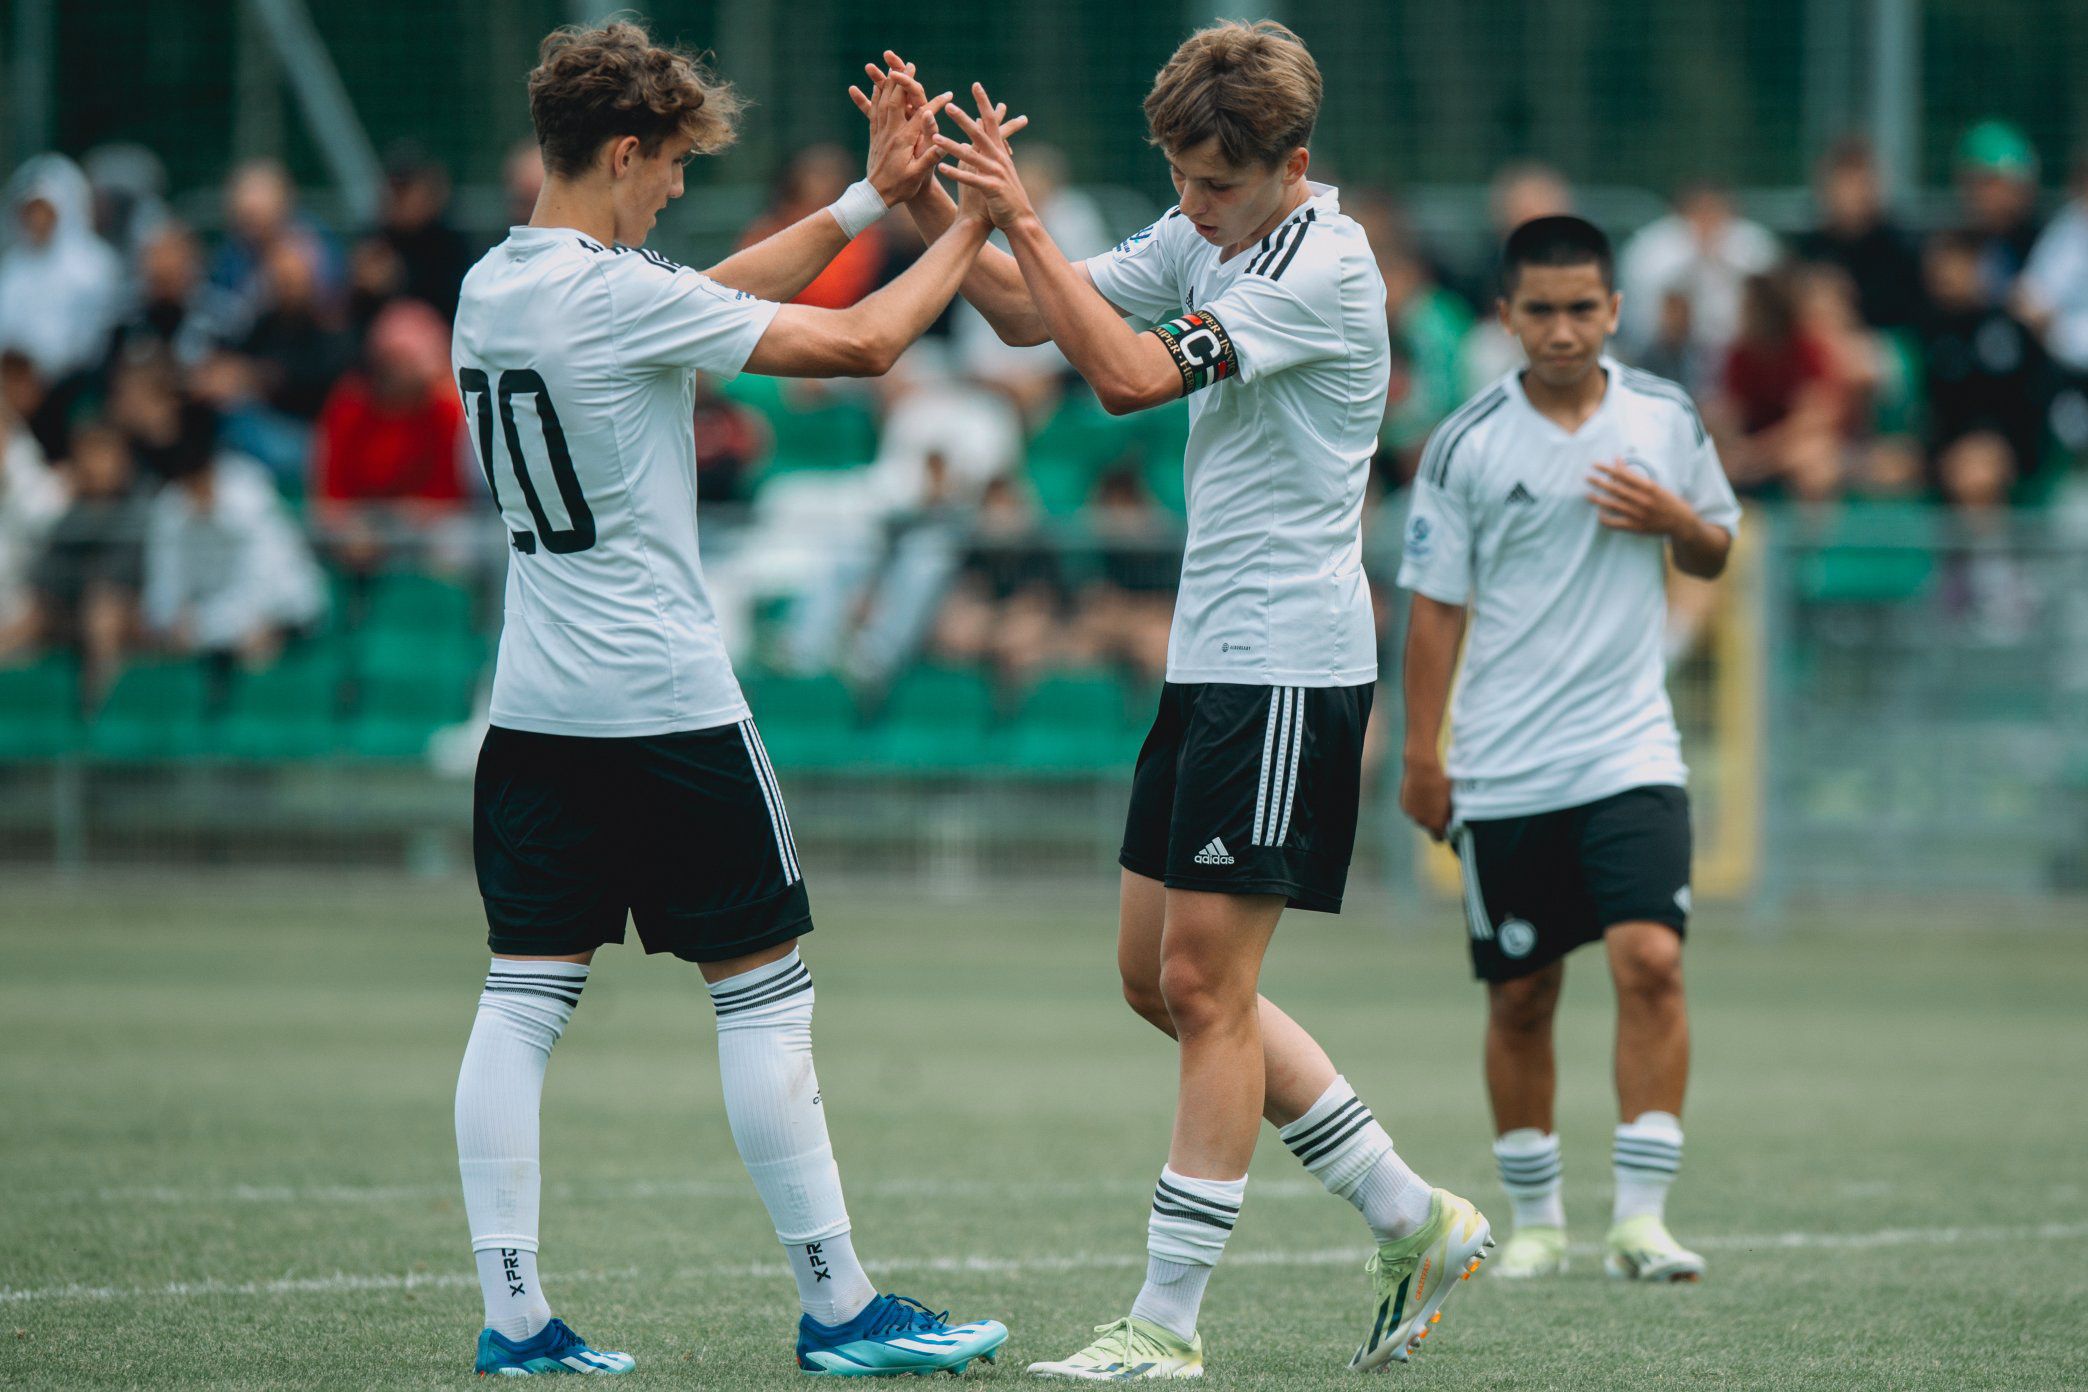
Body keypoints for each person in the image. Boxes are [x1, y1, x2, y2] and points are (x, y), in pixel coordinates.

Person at [890, 21, 1490, 1376]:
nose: (1193, 208)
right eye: (1179, 181)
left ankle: (1164, 1326)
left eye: (1215, 186)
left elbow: (1126, 376)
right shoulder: (1208, 228)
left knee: (1208, 989)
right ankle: (1413, 1212)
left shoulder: (1324, 265)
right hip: (1213, 660)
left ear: (1293, 165)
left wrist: (1027, 223)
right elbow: (1029, 309)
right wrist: (930, 193)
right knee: (1155, 983)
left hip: (1285, 669)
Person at [448, 21, 1009, 1379]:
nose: (680, 194)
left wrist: (873, 200)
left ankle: (514, 1322)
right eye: (674, 167)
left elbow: (694, 297)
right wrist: (966, 228)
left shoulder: (495, 284)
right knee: (762, 999)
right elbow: (870, 344)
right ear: (625, 152)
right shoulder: (615, 297)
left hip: (532, 716)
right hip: (669, 713)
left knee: (521, 1005)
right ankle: (840, 1309)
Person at [1396, 216, 1741, 1287]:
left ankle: (1640, 1219)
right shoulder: (1467, 443)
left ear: (1615, 311)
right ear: (1506, 317)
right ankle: (1537, 1219)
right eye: (1539, 310)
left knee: (1653, 962)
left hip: (1630, 749)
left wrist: (1674, 516)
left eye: (1581, 308)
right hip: (1503, 764)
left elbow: (1716, 548)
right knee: (1522, 994)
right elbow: (1436, 611)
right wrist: (1420, 753)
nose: (1561, 329)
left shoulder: (1664, 417)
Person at [1616, 181, 1780, 383]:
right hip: (1671, 354)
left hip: (1743, 352)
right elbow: (1643, 321)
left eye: (1714, 210)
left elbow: (1771, 312)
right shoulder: (1651, 248)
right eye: (1699, 211)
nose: (1707, 219)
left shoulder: (1755, 244)